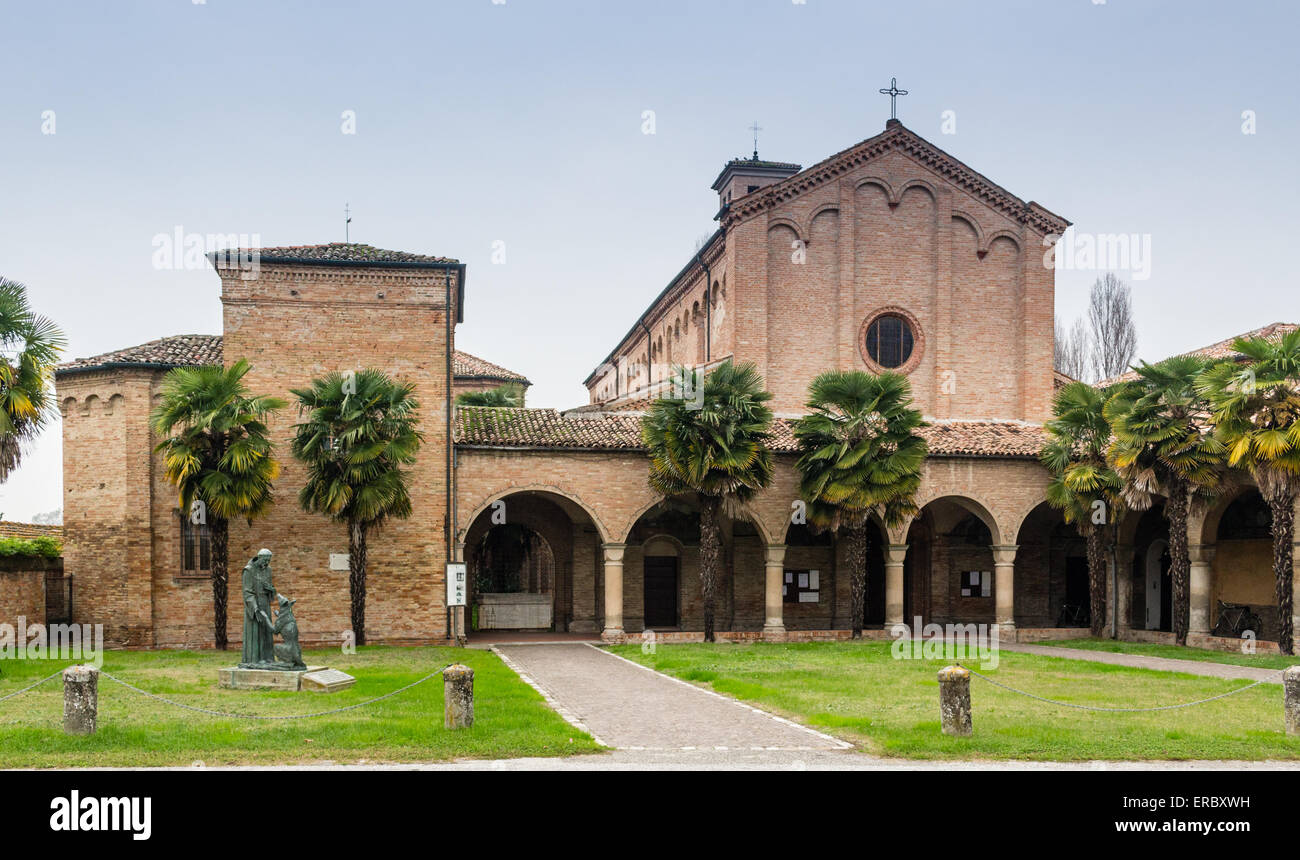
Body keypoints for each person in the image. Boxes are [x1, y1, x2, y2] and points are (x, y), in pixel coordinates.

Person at [239, 549, 277, 667]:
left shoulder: (268, 570)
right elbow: (247, 593)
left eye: (268, 561)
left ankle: (268, 658)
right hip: (254, 606)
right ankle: (255, 659)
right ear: (259, 558)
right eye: (265, 560)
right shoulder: (248, 571)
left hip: (265, 603)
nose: (266, 563)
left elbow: (272, 589)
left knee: (266, 630)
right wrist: (255, 608)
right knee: (257, 632)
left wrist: (271, 590)